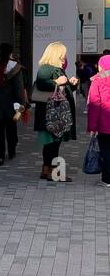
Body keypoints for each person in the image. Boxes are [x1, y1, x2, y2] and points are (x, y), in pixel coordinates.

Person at [33, 42, 78, 182]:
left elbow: (62, 90)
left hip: (55, 113)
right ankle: (53, 173)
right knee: (52, 143)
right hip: (52, 114)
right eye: (63, 53)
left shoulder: (56, 69)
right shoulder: (46, 68)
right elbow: (41, 83)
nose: (65, 56)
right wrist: (58, 82)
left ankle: (46, 171)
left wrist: (71, 84)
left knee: (52, 143)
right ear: (56, 53)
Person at [88, 55, 110, 189]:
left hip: (104, 123)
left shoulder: (97, 81)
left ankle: (107, 179)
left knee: (106, 151)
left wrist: (92, 127)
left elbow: (94, 106)